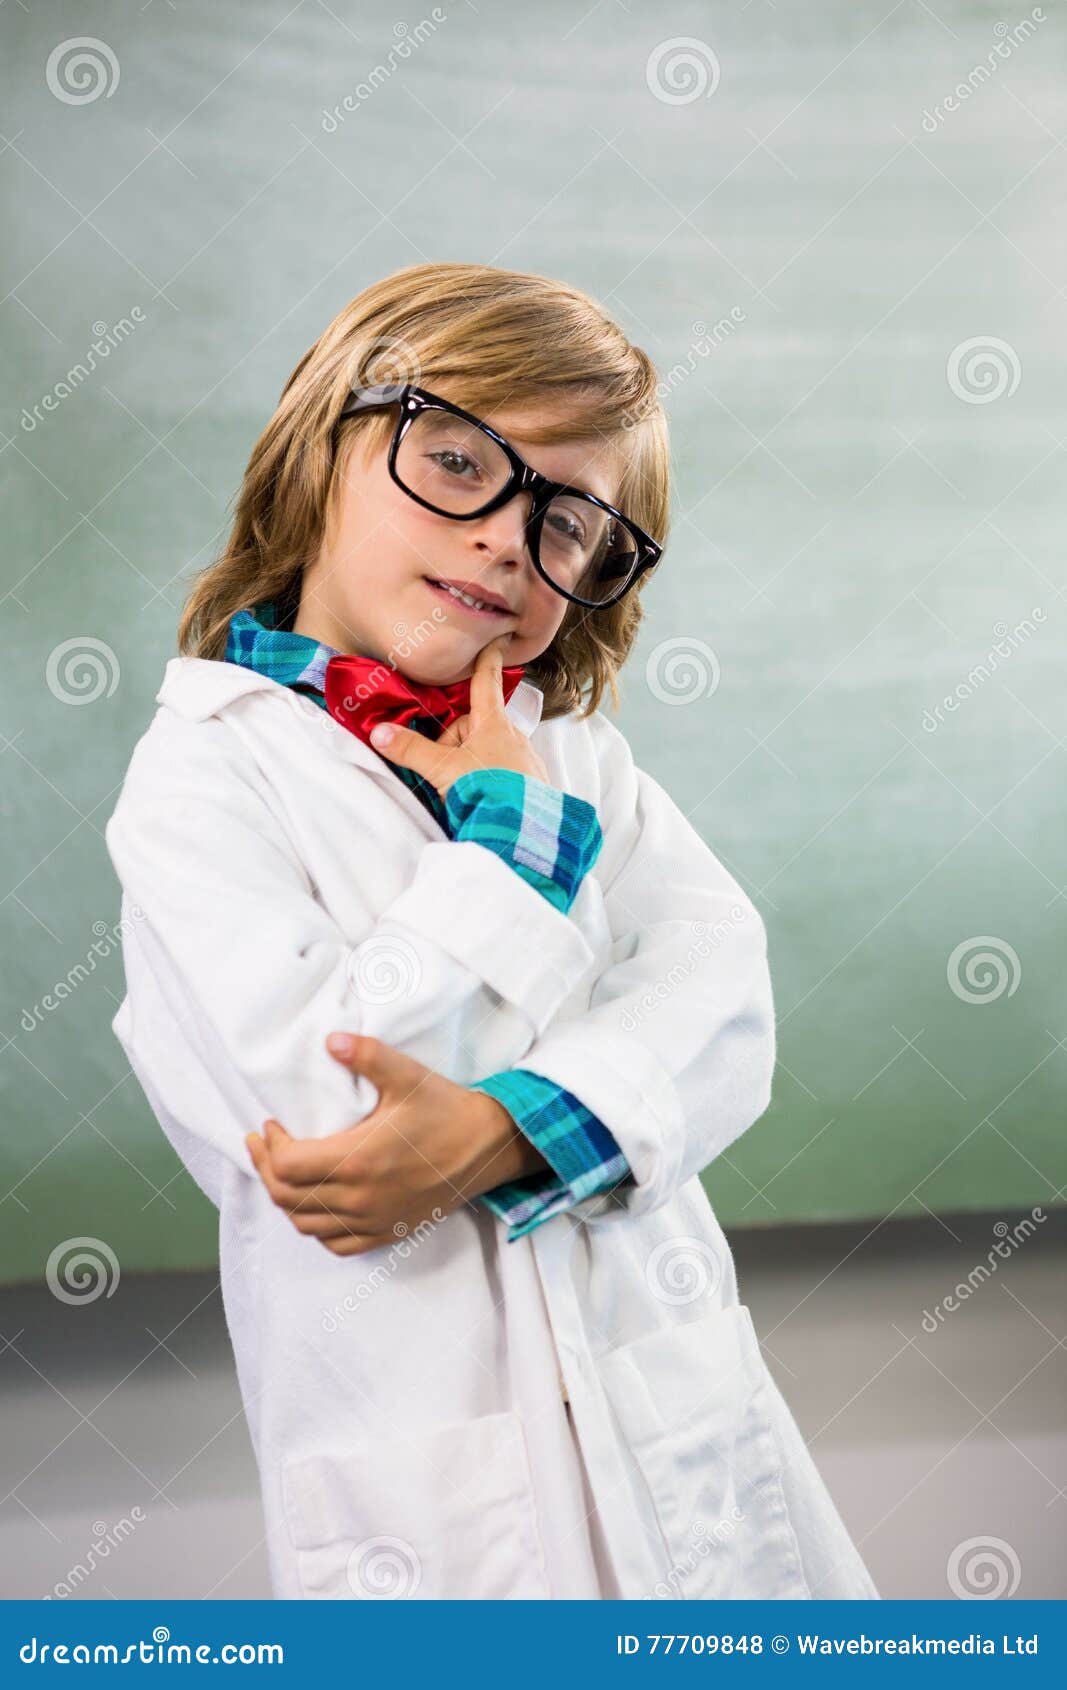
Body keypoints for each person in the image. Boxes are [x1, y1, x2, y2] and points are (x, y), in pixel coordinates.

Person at [104, 261, 879, 1601]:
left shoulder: (585, 763)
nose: (512, 539)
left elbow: (721, 1002)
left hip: (688, 1452)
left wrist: (509, 1125)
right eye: (459, 460)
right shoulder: (203, 780)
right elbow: (336, 1111)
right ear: (319, 446)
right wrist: (509, 846)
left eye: (572, 521)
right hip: (437, 1519)